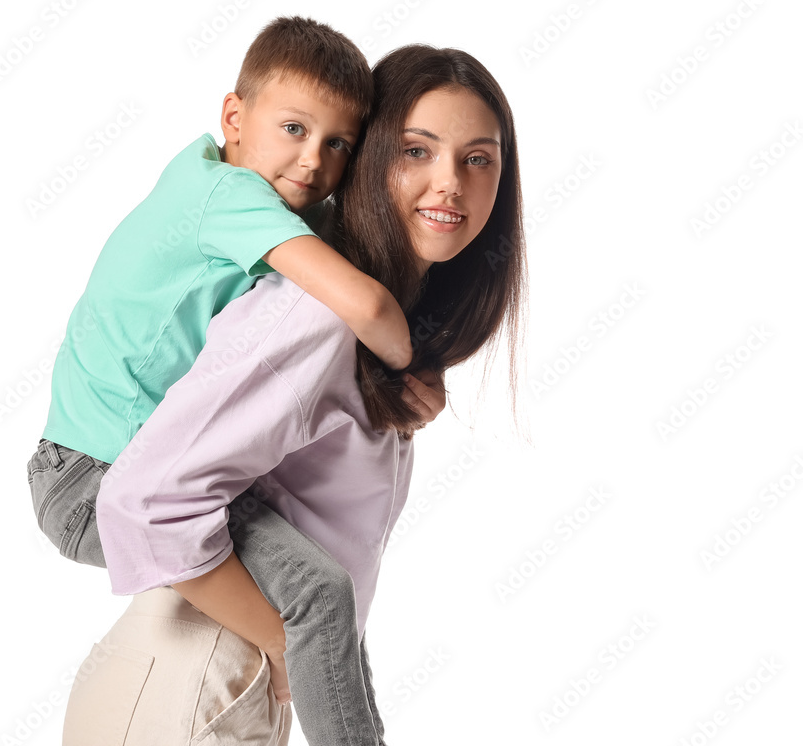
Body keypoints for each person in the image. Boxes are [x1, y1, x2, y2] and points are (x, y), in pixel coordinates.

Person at [62, 43, 526, 745]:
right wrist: (286, 641)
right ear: (370, 159)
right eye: (416, 151)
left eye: (478, 159)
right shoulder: (320, 308)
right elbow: (144, 502)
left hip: (230, 681)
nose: (450, 183)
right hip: (195, 686)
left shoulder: (368, 316)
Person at [28, 17, 419, 567]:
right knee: (314, 589)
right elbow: (369, 305)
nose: (314, 160)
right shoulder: (231, 196)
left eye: (338, 144)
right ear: (234, 117)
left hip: (103, 470)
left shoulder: (234, 183)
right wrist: (410, 372)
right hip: (97, 478)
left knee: (306, 567)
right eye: (294, 129)